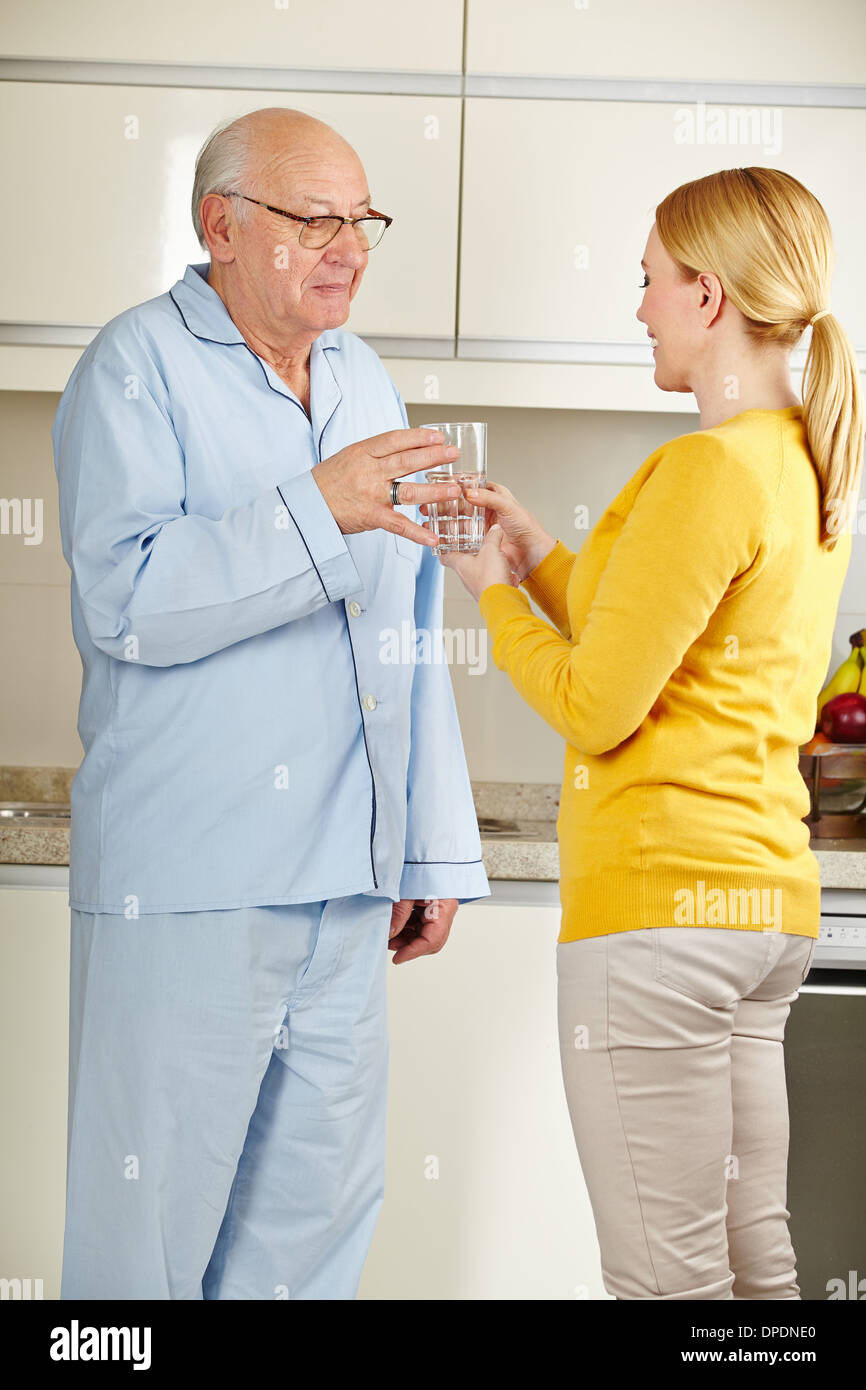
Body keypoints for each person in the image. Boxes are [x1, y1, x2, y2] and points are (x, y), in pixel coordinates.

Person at [53, 105, 489, 1300]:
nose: (347, 245)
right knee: (144, 1243)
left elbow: (403, 621)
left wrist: (430, 849)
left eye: (362, 220)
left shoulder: (365, 375)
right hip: (188, 886)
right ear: (222, 227)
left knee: (310, 1237)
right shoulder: (131, 366)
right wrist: (317, 505)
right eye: (314, 219)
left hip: (342, 890)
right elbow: (127, 601)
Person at [436, 167, 863, 1299]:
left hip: (662, 919)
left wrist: (482, 590)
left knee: (664, 1286)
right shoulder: (798, 466)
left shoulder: (703, 469)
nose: (637, 310)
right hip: (757, 913)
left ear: (708, 297)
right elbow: (665, 643)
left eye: (648, 283)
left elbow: (595, 703)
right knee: (750, 1259)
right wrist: (533, 557)